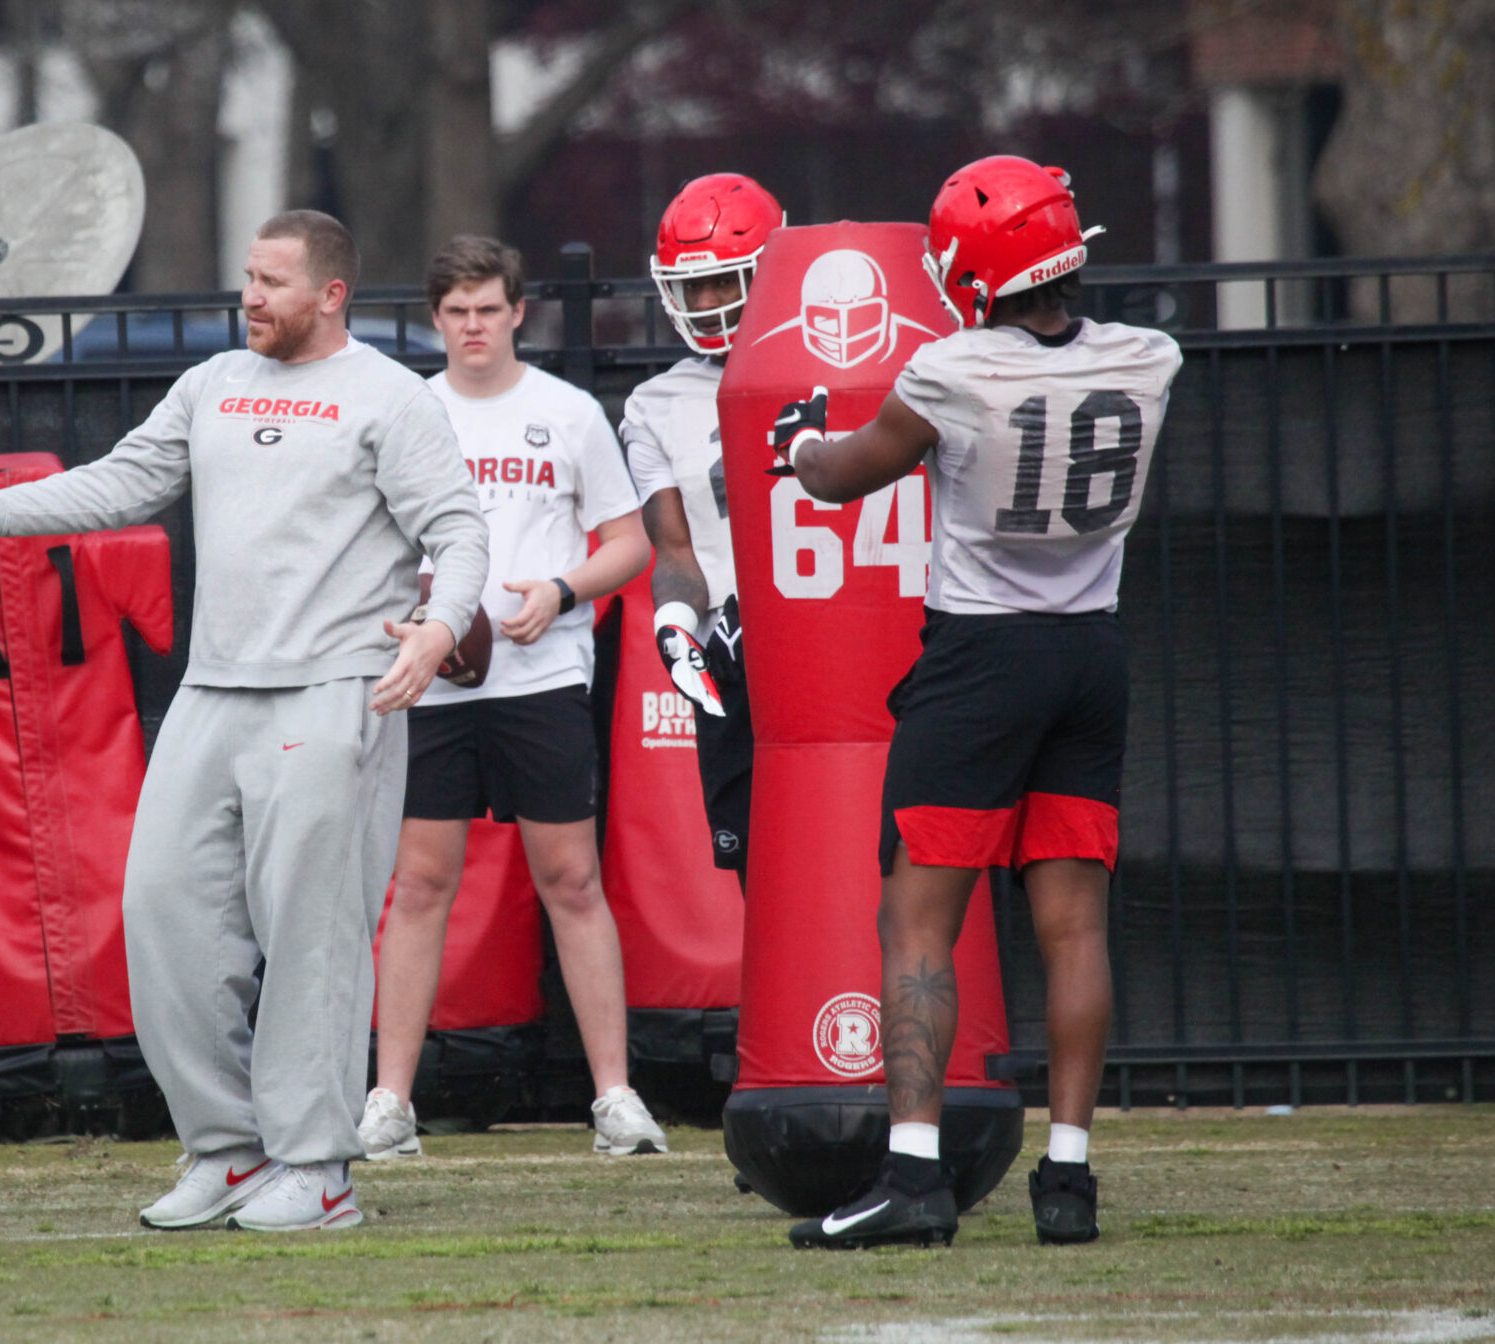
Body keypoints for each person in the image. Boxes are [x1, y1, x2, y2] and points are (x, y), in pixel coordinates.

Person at [0, 210, 488, 1233]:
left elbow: (458, 531)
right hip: (212, 693)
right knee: (163, 918)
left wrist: (436, 629)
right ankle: (228, 1153)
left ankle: (318, 1170)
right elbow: (121, 483)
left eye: (272, 281)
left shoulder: (389, 398)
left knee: (311, 938)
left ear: (330, 295)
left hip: (335, 690)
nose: (250, 296)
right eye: (246, 276)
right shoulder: (211, 385)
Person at [773, 157, 1181, 1249]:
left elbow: (847, 472)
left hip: (981, 663)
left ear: (970, 267)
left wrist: (796, 445)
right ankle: (1070, 1176)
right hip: (1090, 655)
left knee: (916, 918)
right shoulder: (1150, 358)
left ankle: (912, 1179)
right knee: (1074, 922)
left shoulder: (951, 368)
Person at [359, 236, 663, 1164]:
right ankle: (389, 1102)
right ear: (434, 319)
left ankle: (614, 1097)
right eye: (455, 312)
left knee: (571, 880)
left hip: (543, 676)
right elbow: (369, 543)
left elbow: (631, 543)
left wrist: (561, 592)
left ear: (518, 311)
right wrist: (410, 616)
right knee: (417, 885)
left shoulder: (568, 413)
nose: (472, 326)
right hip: (433, 678)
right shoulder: (406, 412)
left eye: (488, 308)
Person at [623, 173, 785, 891]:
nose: (712, 304)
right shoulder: (655, 405)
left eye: (726, 283)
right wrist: (674, 623)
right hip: (731, 650)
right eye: (698, 289)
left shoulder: (823, 364)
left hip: (828, 641)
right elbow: (677, 551)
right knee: (760, 864)